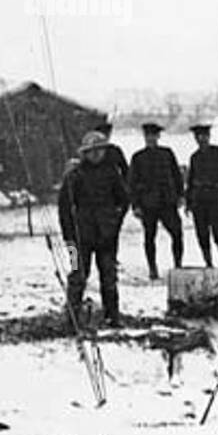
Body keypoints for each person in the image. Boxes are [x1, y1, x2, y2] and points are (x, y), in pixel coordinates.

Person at [59, 130, 130, 327]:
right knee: (77, 276)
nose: (97, 154)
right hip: (77, 240)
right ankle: (72, 319)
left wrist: (114, 223)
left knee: (109, 277)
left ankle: (112, 317)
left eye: (100, 150)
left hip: (107, 237)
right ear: (85, 153)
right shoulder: (74, 176)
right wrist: (68, 238)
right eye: (92, 151)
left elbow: (124, 201)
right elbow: (64, 209)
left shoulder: (112, 174)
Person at [128, 122, 185, 279]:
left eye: (154, 135)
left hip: (168, 202)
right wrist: (136, 205)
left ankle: (178, 265)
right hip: (148, 204)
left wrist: (181, 195)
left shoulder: (167, 154)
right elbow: (131, 183)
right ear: (145, 137)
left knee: (177, 233)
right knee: (149, 237)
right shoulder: (138, 157)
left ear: (158, 137)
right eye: (148, 136)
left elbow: (176, 175)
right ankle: (152, 269)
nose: (151, 139)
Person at [185, 124, 218, 277]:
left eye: (204, 136)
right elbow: (191, 181)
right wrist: (188, 203)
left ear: (209, 136)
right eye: (198, 137)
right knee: (202, 235)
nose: (202, 139)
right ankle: (209, 266)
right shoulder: (194, 157)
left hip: (215, 198)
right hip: (198, 200)